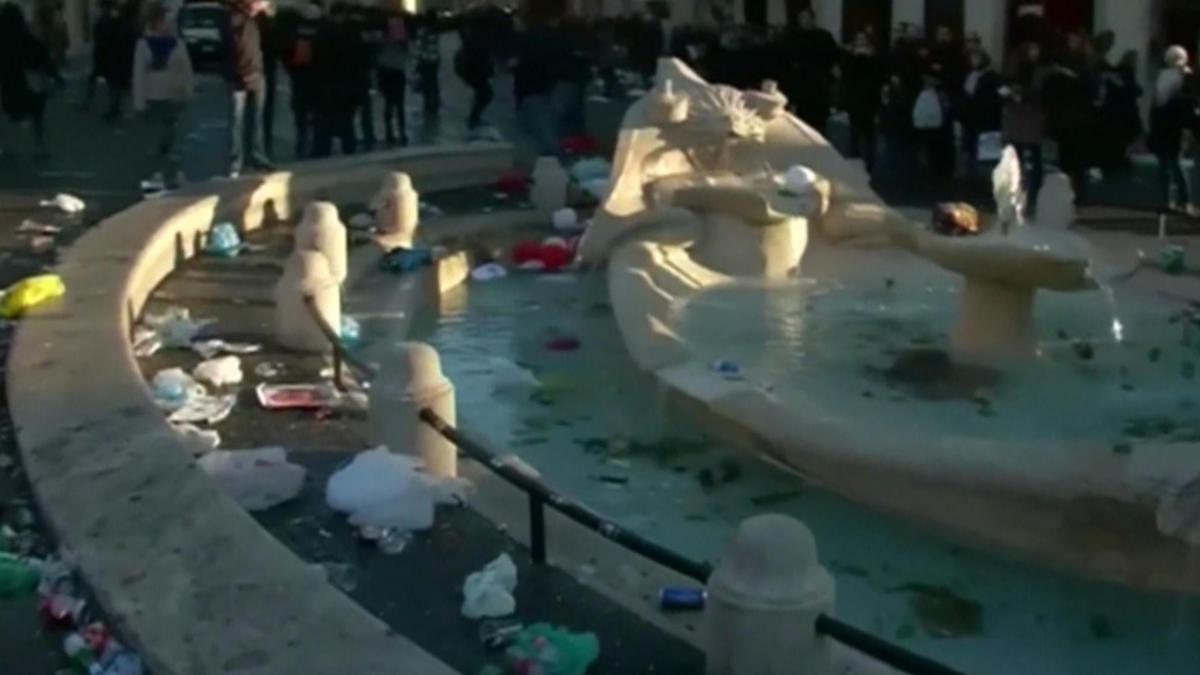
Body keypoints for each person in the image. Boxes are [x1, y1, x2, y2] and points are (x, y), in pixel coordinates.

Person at [132, 1, 194, 188]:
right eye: (166, 21)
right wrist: (139, 102)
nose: (170, 25)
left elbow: (186, 71)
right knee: (156, 140)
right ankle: (155, 176)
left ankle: (172, 175)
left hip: (174, 98)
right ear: (156, 22)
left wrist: (188, 92)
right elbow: (139, 74)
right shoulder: (144, 44)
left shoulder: (177, 43)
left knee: (174, 140)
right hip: (154, 99)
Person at [219, 0, 273, 177]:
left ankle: (257, 156)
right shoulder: (231, 16)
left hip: (256, 72)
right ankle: (235, 162)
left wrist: (264, 11)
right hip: (237, 76)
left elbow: (272, 24)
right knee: (236, 122)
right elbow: (233, 36)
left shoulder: (256, 19)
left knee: (256, 120)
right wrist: (252, 10)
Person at [0, 2, 57, 157]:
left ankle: (6, 147)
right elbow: (43, 56)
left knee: (9, 116)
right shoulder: (26, 39)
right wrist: (53, 77)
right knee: (37, 115)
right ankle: (39, 146)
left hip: (9, 88)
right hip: (30, 87)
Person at [1149, 45, 1198, 214]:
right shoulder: (1184, 77)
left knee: (1167, 165)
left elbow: (1156, 105)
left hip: (1163, 127)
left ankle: (1167, 200)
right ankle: (1183, 201)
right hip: (1175, 127)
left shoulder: (1163, 77)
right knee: (1175, 164)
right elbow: (1189, 106)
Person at [311, 2, 359, 156]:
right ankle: (348, 147)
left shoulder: (322, 32)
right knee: (345, 121)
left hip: (326, 83)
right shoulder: (350, 33)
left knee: (325, 122)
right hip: (344, 83)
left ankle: (322, 149)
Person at [787, 8, 838, 133]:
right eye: (800, 18)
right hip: (802, 80)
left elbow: (833, 55)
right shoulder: (794, 37)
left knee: (819, 116)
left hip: (819, 79)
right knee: (803, 116)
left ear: (812, 19)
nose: (802, 21)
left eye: (805, 17)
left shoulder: (824, 36)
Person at [279, 1, 320, 157]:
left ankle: (302, 141)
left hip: (299, 74)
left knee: (301, 111)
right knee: (314, 111)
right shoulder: (318, 26)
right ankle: (313, 142)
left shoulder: (292, 27)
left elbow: (285, 51)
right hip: (314, 75)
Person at [842, 32, 884, 174]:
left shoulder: (874, 59)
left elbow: (878, 76)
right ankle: (856, 163)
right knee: (855, 135)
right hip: (856, 100)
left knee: (869, 135)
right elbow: (847, 75)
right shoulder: (851, 58)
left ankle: (869, 165)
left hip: (869, 101)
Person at [960, 50, 1003, 173]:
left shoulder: (993, 77)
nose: (973, 61)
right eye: (972, 59)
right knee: (972, 147)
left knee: (985, 148)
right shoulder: (971, 75)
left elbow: (1002, 93)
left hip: (987, 116)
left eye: (976, 59)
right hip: (971, 117)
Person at [455, 10, 494, 135]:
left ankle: (474, 118)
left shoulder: (471, 33)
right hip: (474, 70)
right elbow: (480, 55)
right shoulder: (478, 36)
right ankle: (473, 119)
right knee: (485, 93)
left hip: (471, 69)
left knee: (483, 93)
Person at [376, 8, 408, 147]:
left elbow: (378, 52)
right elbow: (405, 50)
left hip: (385, 70)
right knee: (399, 104)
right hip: (397, 70)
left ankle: (389, 133)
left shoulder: (382, 34)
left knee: (389, 103)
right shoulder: (401, 32)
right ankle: (401, 132)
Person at [414, 11, 442, 117]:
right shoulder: (435, 30)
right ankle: (434, 106)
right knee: (433, 83)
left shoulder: (423, 31)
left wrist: (416, 63)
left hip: (425, 61)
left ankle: (428, 107)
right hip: (434, 61)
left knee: (426, 85)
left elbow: (419, 48)